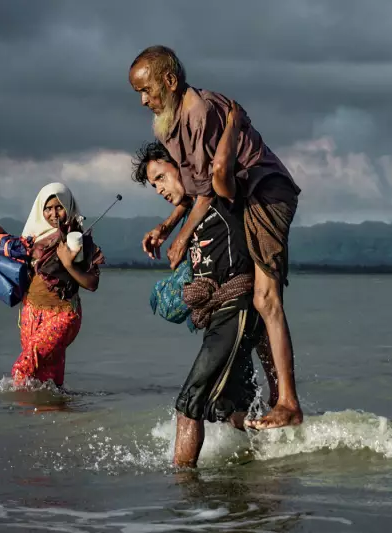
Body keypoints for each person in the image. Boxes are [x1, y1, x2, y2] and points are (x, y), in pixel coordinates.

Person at [128, 45, 302, 430]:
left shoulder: (199, 112)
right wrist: (171, 224)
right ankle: (275, 399)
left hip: (265, 192)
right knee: (255, 307)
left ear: (169, 81)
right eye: (138, 93)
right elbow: (196, 187)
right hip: (242, 195)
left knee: (264, 297)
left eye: (147, 90)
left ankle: (288, 402)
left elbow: (218, 183)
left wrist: (181, 233)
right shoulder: (172, 122)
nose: (143, 100)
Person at [132, 104, 262, 467]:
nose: (158, 188)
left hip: (236, 310)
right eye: (153, 184)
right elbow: (191, 201)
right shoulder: (194, 209)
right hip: (222, 317)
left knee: (188, 405)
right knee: (229, 407)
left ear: (182, 165)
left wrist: (233, 121)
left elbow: (207, 186)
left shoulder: (222, 193)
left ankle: (184, 494)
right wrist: (168, 224)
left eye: (160, 177)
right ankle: (265, 471)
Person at [12, 183, 104, 388]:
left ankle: (11, 409)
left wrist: (68, 263)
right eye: (48, 208)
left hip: (63, 314)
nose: (54, 214)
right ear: (40, 210)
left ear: (69, 207)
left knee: (23, 368)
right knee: (45, 377)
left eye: (59, 207)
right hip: (31, 311)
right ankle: (49, 415)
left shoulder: (80, 240)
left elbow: (92, 283)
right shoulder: (32, 238)